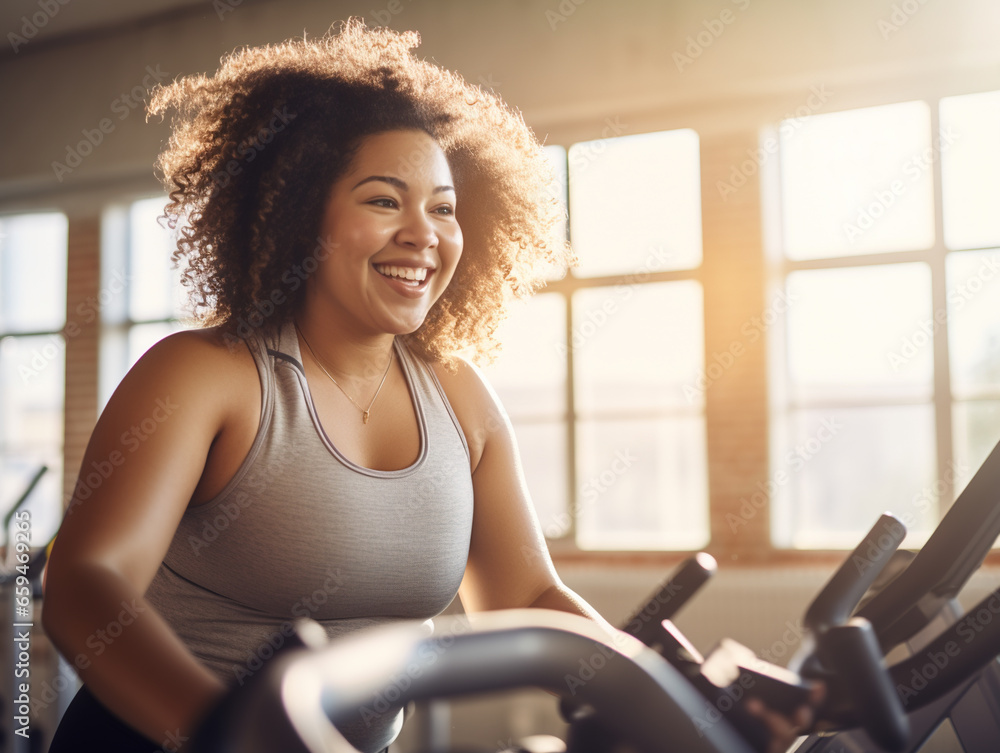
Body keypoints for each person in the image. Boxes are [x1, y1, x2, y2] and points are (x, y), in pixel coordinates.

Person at [42, 19, 819, 753]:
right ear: (297, 214)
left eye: (444, 209)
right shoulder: (208, 373)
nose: (424, 234)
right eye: (384, 200)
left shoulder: (459, 396)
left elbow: (529, 599)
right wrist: (239, 737)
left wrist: (675, 694)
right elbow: (85, 587)